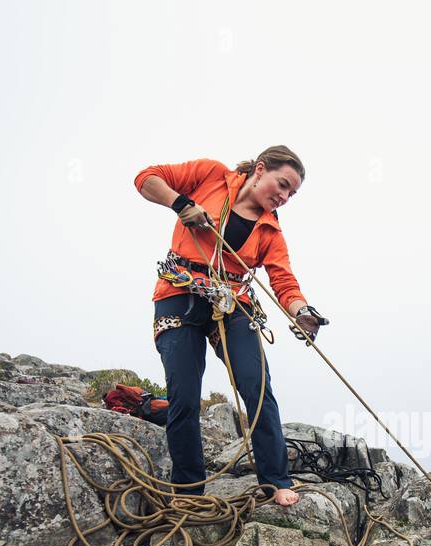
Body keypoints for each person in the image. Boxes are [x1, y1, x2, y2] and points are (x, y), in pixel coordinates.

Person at [134, 145, 326, 507]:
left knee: (257, 385)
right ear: (259, 169)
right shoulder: (209, 174)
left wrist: (302, 312)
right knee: (185, 395)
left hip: (232, 302)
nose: (284, 197)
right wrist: (182, 204)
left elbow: (284, 281)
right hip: (179, 294)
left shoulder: (270, 231)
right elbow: (146, 179)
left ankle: (276, 481)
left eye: (292, 193)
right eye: (282, 184)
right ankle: (188, 492)